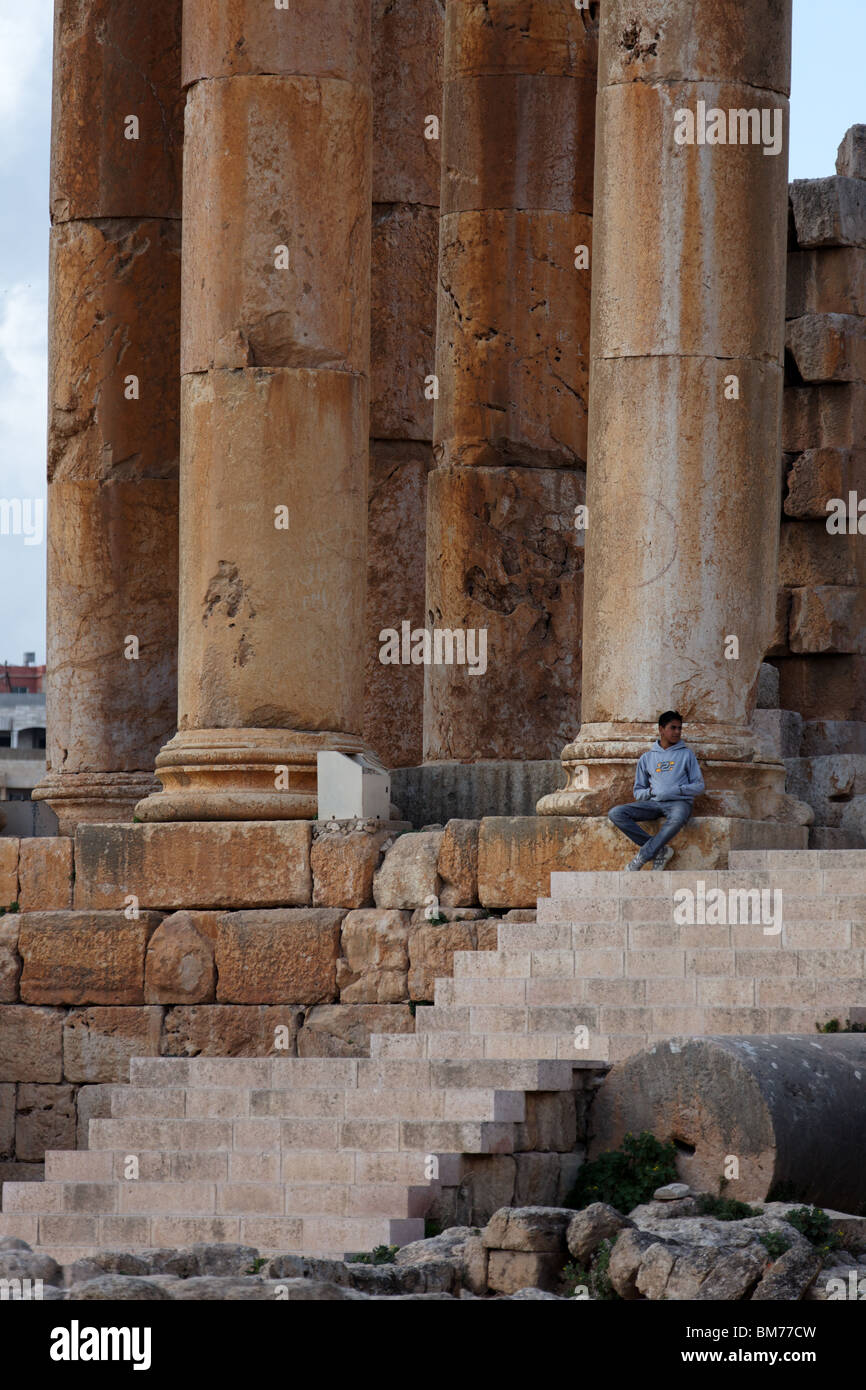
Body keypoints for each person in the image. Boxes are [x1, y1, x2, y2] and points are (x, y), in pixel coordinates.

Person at [608, 711, 705, 871]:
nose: (677, 732)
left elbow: (699, 786)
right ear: (661, 729)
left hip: (679, 804)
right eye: (673, 728)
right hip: (653, 803)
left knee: (677, 819)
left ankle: (642, 857)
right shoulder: (647, 758)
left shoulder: (687, 755)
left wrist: (676, 790)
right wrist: (652, 792)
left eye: (679, 728)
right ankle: (660, 850)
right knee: (616, 813)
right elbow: (638, 792)